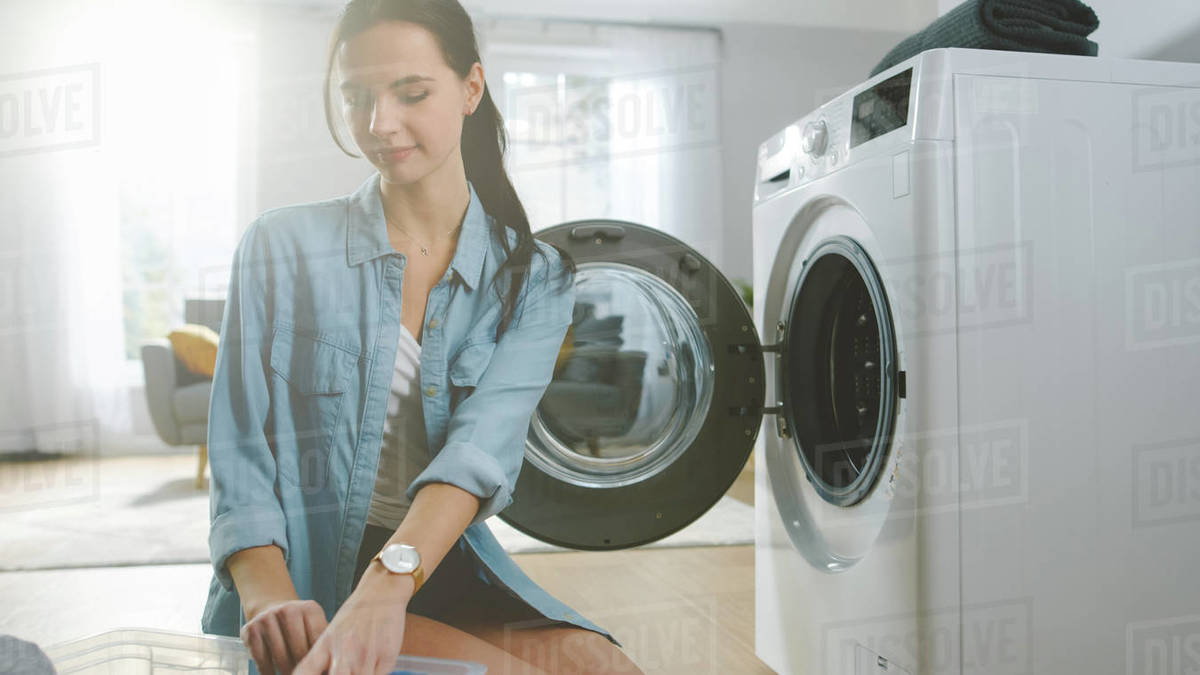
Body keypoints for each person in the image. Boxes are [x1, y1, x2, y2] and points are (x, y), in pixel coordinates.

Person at [199, 1, 644, 673]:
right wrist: (268, 598)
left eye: (411, 93)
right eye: (357, 97)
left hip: (431, 560)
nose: (380, 124)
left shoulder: (537, 279)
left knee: (607, 666)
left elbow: (478, 452)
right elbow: (240, 452)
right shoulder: (279, 246)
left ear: (471, 88)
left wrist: (388, 585)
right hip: (307, 583)